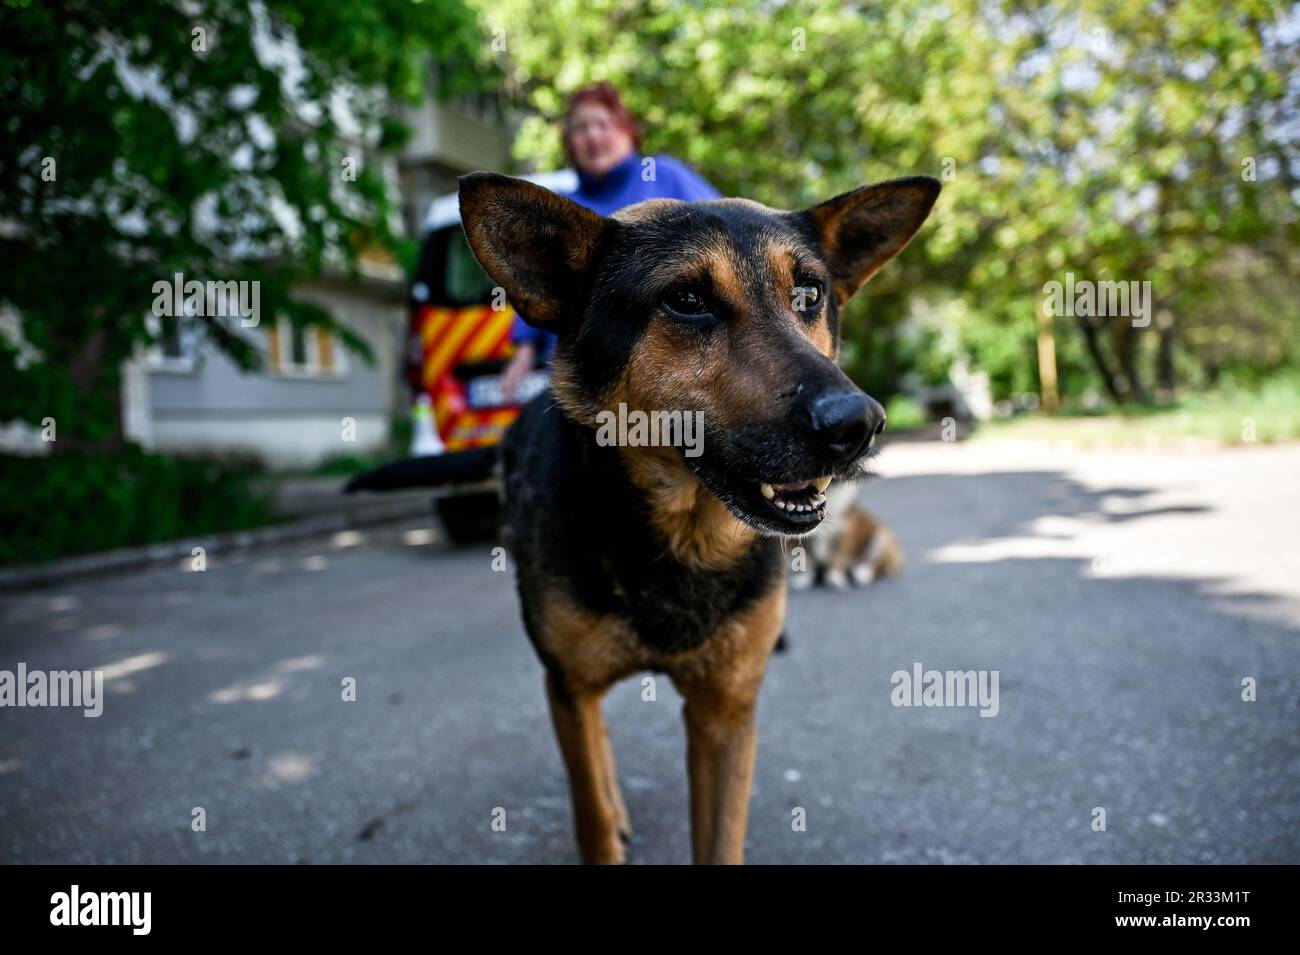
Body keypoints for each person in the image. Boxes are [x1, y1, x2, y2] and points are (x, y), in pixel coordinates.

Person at [499, 82, 720, 401]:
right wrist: (522, 352)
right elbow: (540, 286)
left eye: (602, 124)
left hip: (672, 366)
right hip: (589, 374)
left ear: (628, 132)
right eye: (580, 129)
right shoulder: (566, 209)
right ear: (569, 145)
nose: (592, 136)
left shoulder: (662, 175)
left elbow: (726, 230)